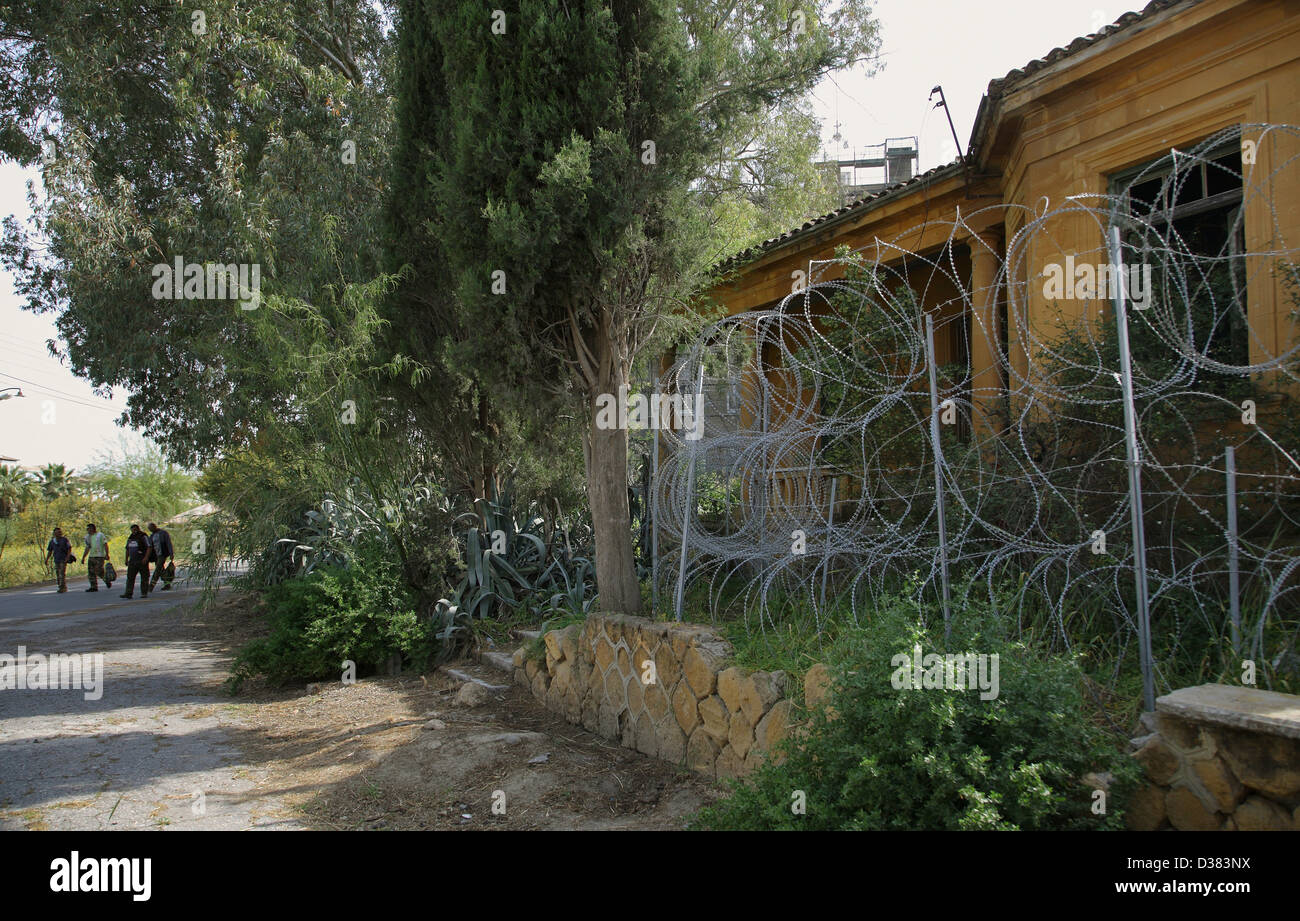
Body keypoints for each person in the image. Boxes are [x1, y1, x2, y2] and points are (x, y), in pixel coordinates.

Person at [122, 523, 151, 599]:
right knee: (130, 577)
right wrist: (126, 559)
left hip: (142, 560)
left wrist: (146, 557)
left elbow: (149, 547)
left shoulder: (143, 536)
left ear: (138, 529)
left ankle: (144, 593)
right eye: (132, 530)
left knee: (144, 577)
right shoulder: (131, 537)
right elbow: (127, 549)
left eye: (135, 529)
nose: (134, 531)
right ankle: (128, 593)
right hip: (132, 561)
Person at [44, 527, 76, 594]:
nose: (59, 533)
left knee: (62, 573)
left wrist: (67, 558)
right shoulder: (52, 541)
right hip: (56, 559)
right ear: (54, 533)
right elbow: (50, 551)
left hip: (63, 559)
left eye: (60, 532)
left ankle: (63, 588)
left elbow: (69, 548)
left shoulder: (64, 540)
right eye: (58, 532)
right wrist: (47, 559)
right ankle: (60, 586)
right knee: (58, 574)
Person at [146, 522, 175, 592]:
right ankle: (167, 584)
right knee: (161, 570)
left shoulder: (163, 533)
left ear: (155, 527)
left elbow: (168, 543)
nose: (151, 530)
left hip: (162, 554)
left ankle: (151, 586)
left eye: (151, 528)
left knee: (157, 569)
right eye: (149, 529)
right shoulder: (152, 536)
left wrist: (171, 553)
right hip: (156, 555)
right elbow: (150, 546)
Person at [83, 523, 111, 592]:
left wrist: (107, 554)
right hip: (91, 556)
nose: (87, 530)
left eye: (88, 529)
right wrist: (83, 557)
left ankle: (106, 580)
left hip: (99, 556)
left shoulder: (100, 535)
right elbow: (87, 547)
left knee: (98, 570)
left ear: (92, 528)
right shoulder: (87, 537)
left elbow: (105, 545)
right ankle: (93, 586)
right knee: (91, 572)